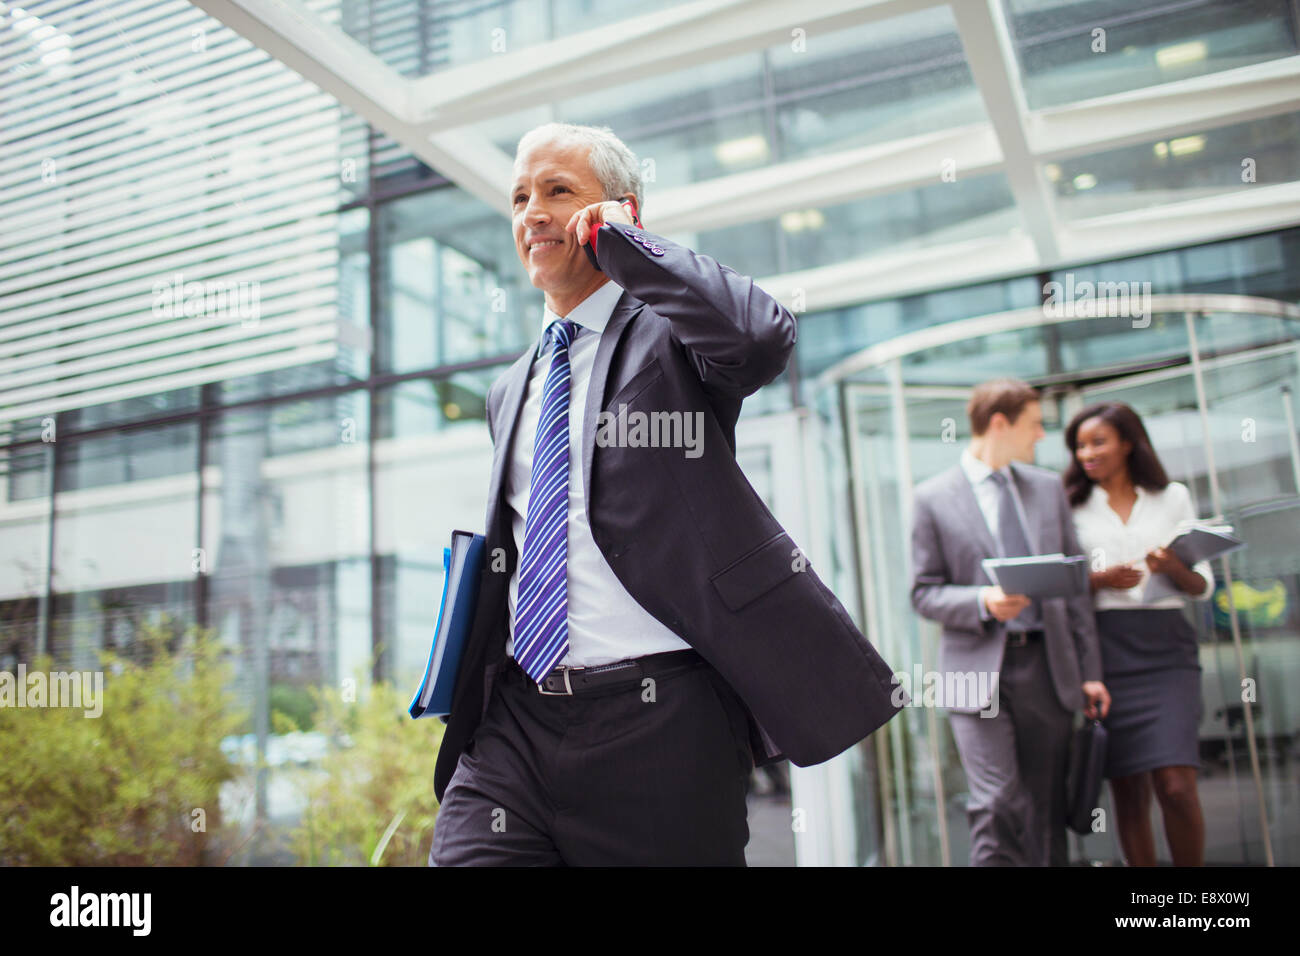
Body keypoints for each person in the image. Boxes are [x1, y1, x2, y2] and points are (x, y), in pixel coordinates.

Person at [429, 123, 904, 866]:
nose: (533, 213)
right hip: (515, 723)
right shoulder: (508, 386)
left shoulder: (671, 339)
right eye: (521, 197)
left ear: (620, 210)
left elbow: (758, 337)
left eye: (559, 192)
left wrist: (631, 249)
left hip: (660, 724)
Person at [910, 378, 1110, 866]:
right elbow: (923, 592)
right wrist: (982, 601)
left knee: (1046, 808)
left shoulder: (1046, 489)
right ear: (1000, 423)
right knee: (997, 802)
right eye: (1034, 425)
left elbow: (1076, 588)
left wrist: (1090, 671)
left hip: (1048, 666)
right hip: (975, 673)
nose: (1041, 435)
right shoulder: (931, 498)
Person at [1064, 401, 1212, 866]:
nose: (1086, 452)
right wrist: (1100, 580)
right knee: (1129, 790)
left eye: (1098, 442)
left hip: (1167, 646)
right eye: (1079, 445)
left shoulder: (1173, 498)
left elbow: (1202, 585)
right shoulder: (1070, 507)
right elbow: (1062, 586)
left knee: (1177, 785)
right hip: (1106, 649)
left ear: (1129, 443)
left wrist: (1170, 565)